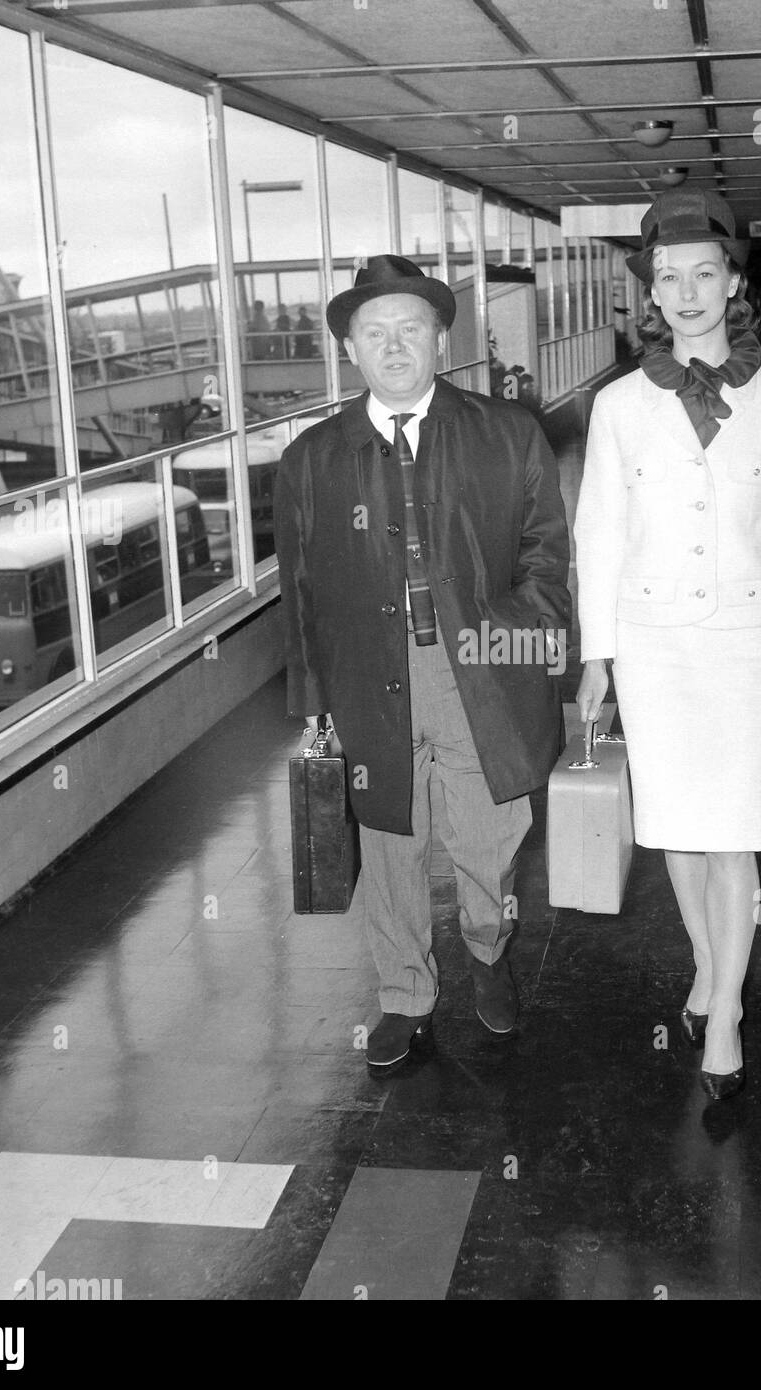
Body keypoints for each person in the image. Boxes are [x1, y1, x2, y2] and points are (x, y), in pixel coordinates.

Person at [573, 190, 761, 1103]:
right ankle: (708, 968)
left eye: (706, 273)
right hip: (655, 643)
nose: (689, 291)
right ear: (652, 295)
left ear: (734, 281)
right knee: (679, 833)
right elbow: (598, 533)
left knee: (736, 832)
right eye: (670, 277)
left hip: (745, 647)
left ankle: (729, 1015)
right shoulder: (618, 407)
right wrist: (597, 655)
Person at [274, 255, 571, 1077]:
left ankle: (488, 951)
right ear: (349, 349)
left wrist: (519, 637)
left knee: (492, 833)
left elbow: (548, 551)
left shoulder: (506, 433)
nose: (394, 345)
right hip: (369, 674)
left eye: (411, 328)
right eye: (375, 332)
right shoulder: (311, 459)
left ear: (442, 336)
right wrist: (313, 701)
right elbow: (298, 590)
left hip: (480, 666)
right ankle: (405, 996)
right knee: (390, 839)